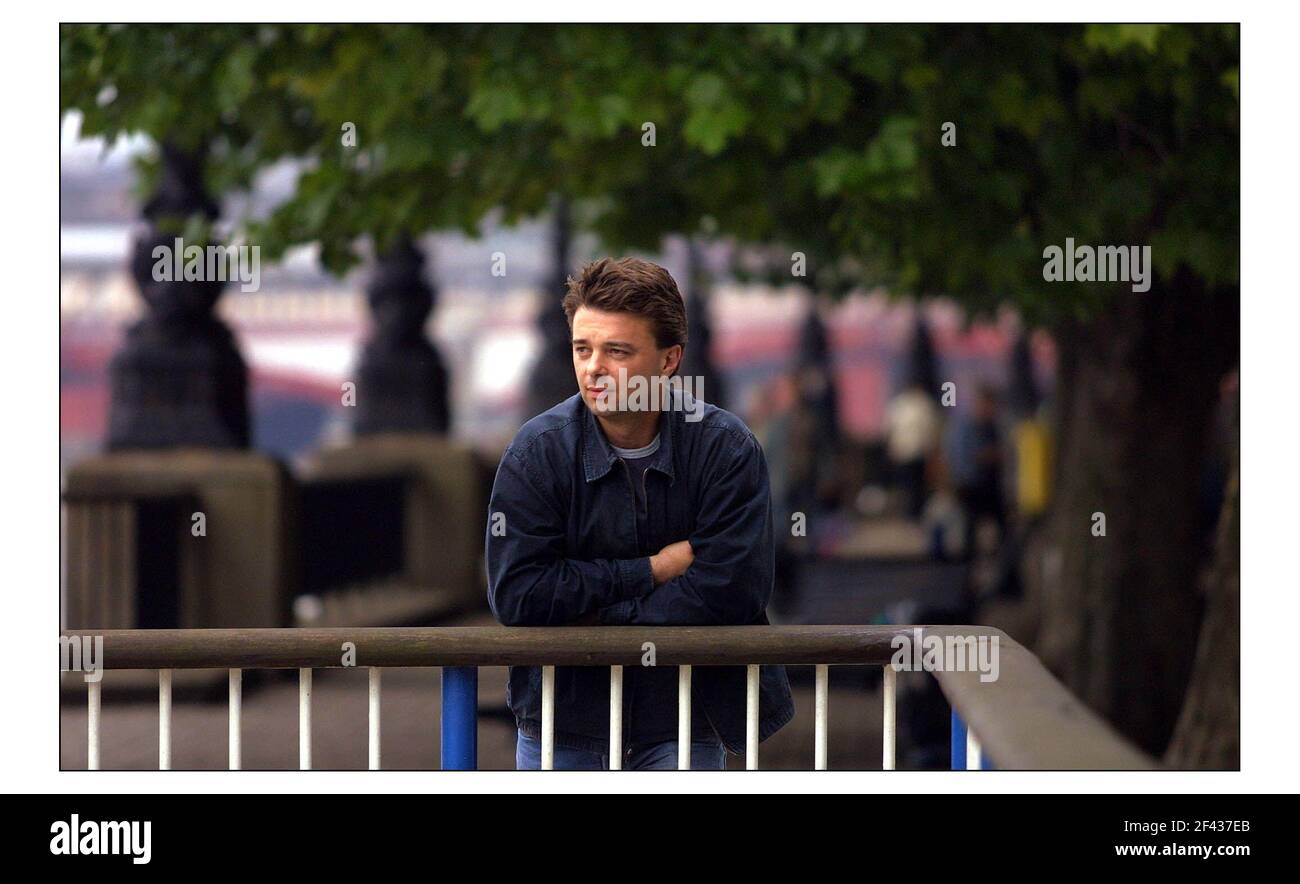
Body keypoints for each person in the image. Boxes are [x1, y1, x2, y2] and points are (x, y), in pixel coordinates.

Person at [485, 257, 794, 770]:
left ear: (669, 360)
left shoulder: (725, 448)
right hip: (564, 721)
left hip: (684, 716)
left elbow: (734, 590)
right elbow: (518, 594)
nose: (593, 368)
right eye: (582, 349)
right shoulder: (536, 453)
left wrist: (593, 620)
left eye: (617, 351)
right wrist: (651, 571)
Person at [949, 384, 1007, 559]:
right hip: (972, 484)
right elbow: (971, 455)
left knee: (998, 526)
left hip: (986, 484)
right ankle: (968, 565)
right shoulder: (968, 426)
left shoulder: (990, 426)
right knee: (972, 526)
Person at [885, 381, 943, 519]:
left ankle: (915, 513)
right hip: (905, 451)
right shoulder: (899, 404)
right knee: (908, 485)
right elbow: (890, 429)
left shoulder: (922, 404)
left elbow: (931, 428)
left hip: (917, 452)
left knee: (917, 485)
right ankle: (909, 513)